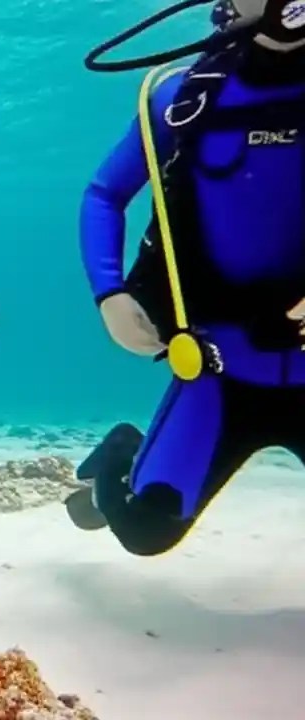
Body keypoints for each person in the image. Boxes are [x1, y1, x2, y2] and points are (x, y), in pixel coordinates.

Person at [70, 0, 305, 556]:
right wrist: (109, 293)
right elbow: (104, 194)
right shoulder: (183, 97)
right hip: (221, 369)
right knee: (145, 532)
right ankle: (120, 454)